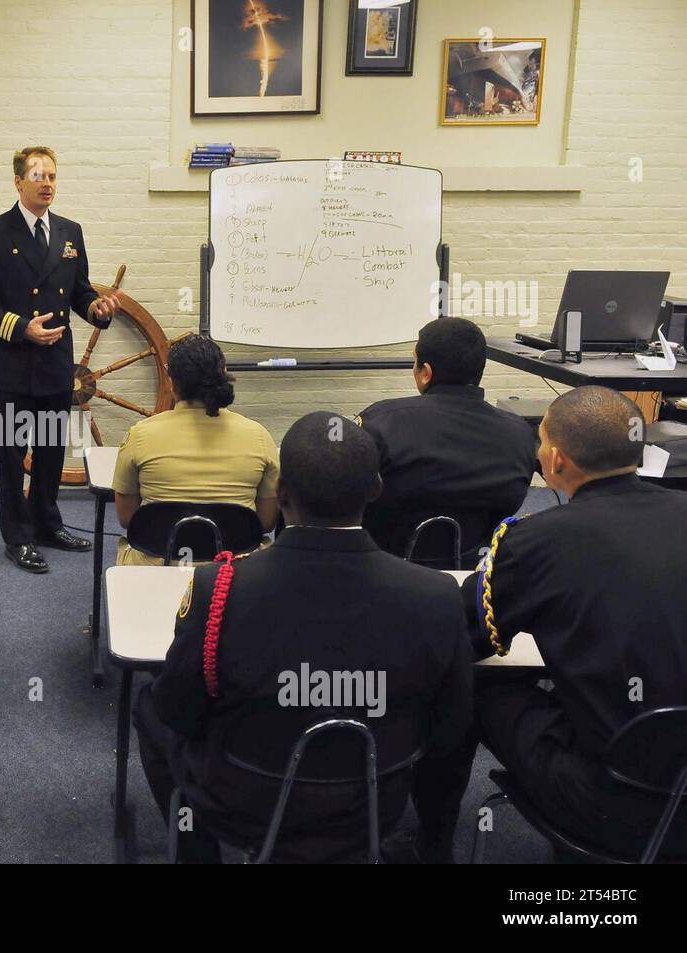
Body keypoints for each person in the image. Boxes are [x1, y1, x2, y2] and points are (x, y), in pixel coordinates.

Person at [134, 411, 472, 862]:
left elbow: (179, 710)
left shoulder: (220, 587)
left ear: (281, 492)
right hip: (373, 806)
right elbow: (451, 727)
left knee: (148, 704)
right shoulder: (436, 594)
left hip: (243, 806)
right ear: (376, 489)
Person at [413, 386, 687, 860]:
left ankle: (430, 846)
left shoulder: (538, 540)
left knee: (468, 682)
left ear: (555, 460)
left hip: (615, 803)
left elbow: (463, 635)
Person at [0, 145, 120, 573]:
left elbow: (80, 292)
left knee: (51, 450)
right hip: (14, 364)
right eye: (38, 176)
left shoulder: (70, 231)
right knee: (12, 454)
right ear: (18, 182)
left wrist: (97, 310)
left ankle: (47, 523)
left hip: (55, 364)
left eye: (52, 176)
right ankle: (18, 536)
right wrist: (20, 327)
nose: (47, 183)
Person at [357, 317, 536, 566]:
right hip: (479, 573)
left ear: (426, 373)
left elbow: (350, 493)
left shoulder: (380, 422)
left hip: (385, 568)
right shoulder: (520, 434)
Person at [112, 334, 279, 565]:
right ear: (224, 373)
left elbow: (127, 518)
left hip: (159, 565)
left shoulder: (140, 435)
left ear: (171, 382)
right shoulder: (259, 436)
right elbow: (266, 522)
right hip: (236, 568)